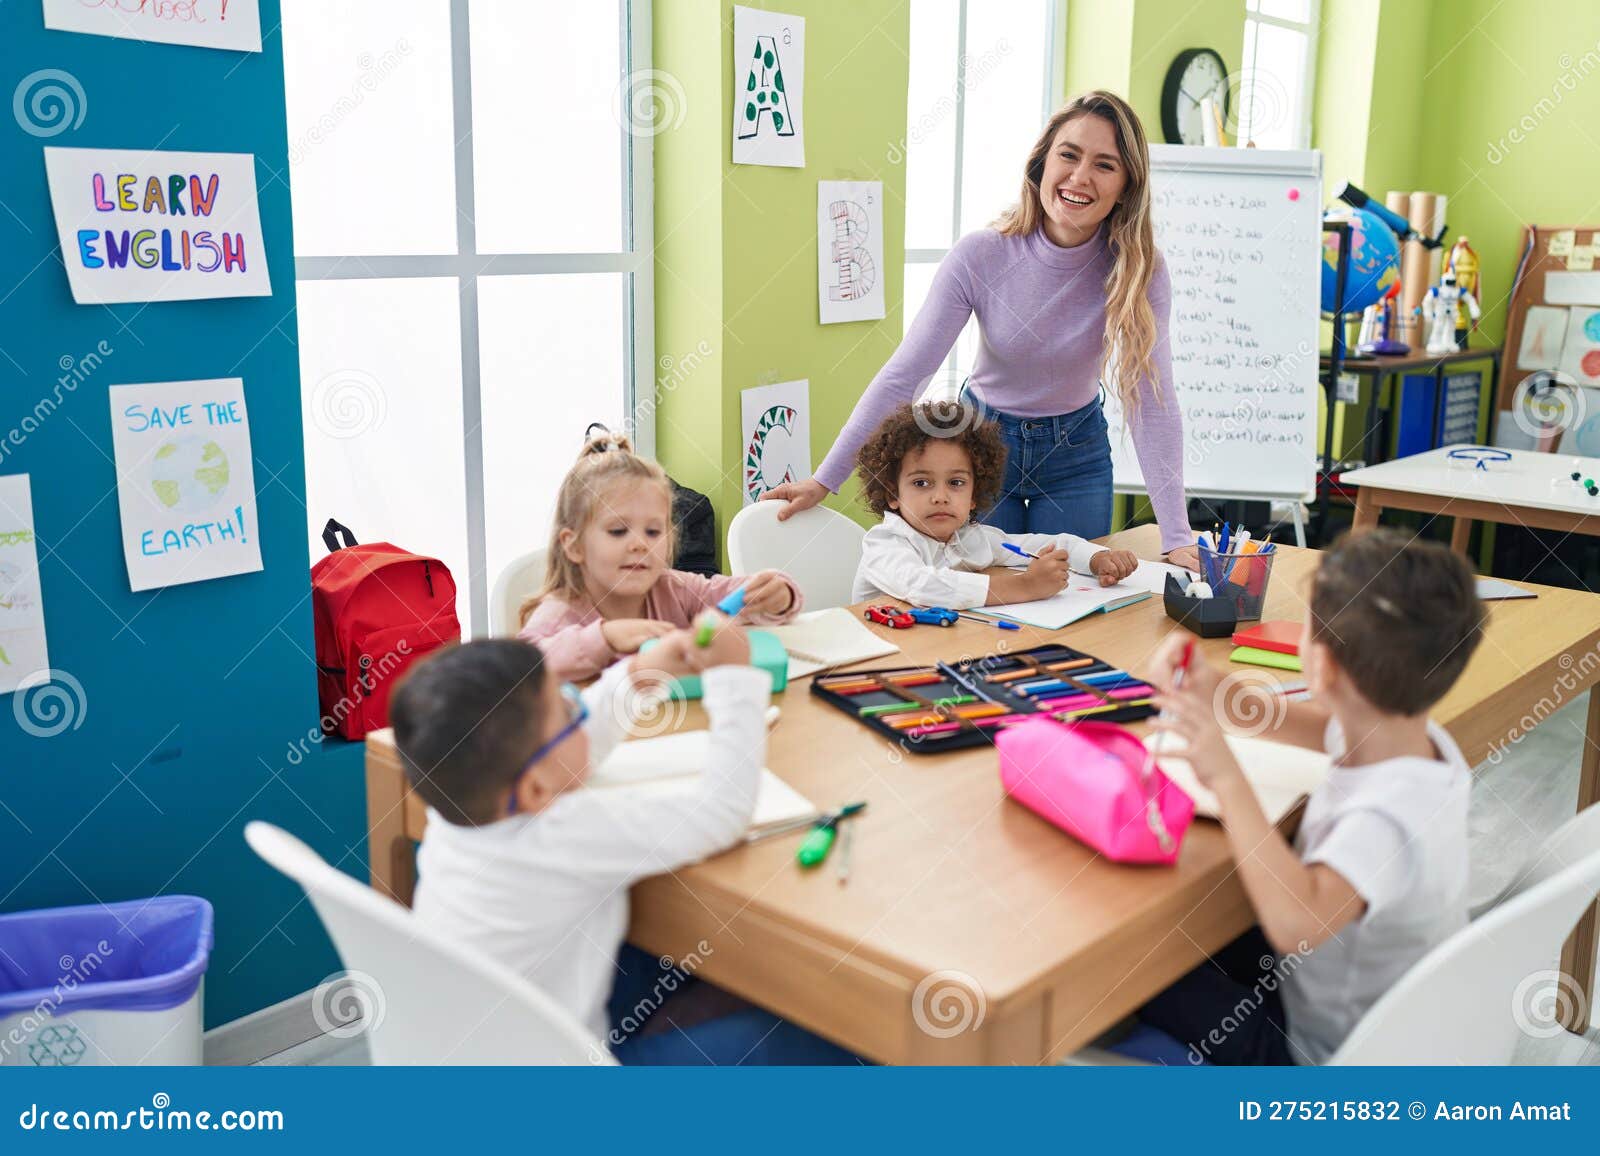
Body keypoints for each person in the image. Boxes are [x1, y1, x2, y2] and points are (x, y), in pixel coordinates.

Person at [766, 90, 1199, 573]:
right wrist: (825, 480)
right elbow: (905, 374)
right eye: (1069, 155)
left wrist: (1176, 538)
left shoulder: (1139, 269)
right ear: (1041, 164)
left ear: (1126, 185)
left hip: (1077, 455)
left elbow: (1151, 398)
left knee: (1078, 597)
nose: (1080, 177)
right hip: (981, 449)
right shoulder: (981, 255)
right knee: (991, 600)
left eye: (1105, 165)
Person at [391, 629, 857, 1064]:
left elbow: (566, 761)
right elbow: (723, 812)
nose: (580, 708)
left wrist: (641, 672)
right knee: (824, 1036)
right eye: (569, 710)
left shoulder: (461, 806)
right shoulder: (563, 832)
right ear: (534, 791)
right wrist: (735, 679)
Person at [1139, 529, 1485, 1064]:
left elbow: (1295, 925)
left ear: (1321, 667)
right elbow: (1309, 726)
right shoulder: (1411, 736)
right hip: (1374, 1006)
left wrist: (1227, 780)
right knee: (1180, 941)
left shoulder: (1382, 820)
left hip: (1325, 1053)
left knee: (1140, 973)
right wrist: (1210, 687)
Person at [519, 431, 802, 681]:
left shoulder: (675, 588)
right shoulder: (561, 611)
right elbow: (522, 669)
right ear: (574, 545)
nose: (640, 544)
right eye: (618, 531)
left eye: (653, 532)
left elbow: (737, 595)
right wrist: (606, 637)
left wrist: (778, 594)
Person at [851, 402, 1137, 607]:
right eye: (922, 483)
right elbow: (922, 586)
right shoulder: (885, 543)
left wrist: (1095, 558)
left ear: (974, 495)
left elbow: (1045, 546)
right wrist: (1025, 586)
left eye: (956, 483)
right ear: (892, 493)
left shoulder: (973, 537)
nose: (940, 496)